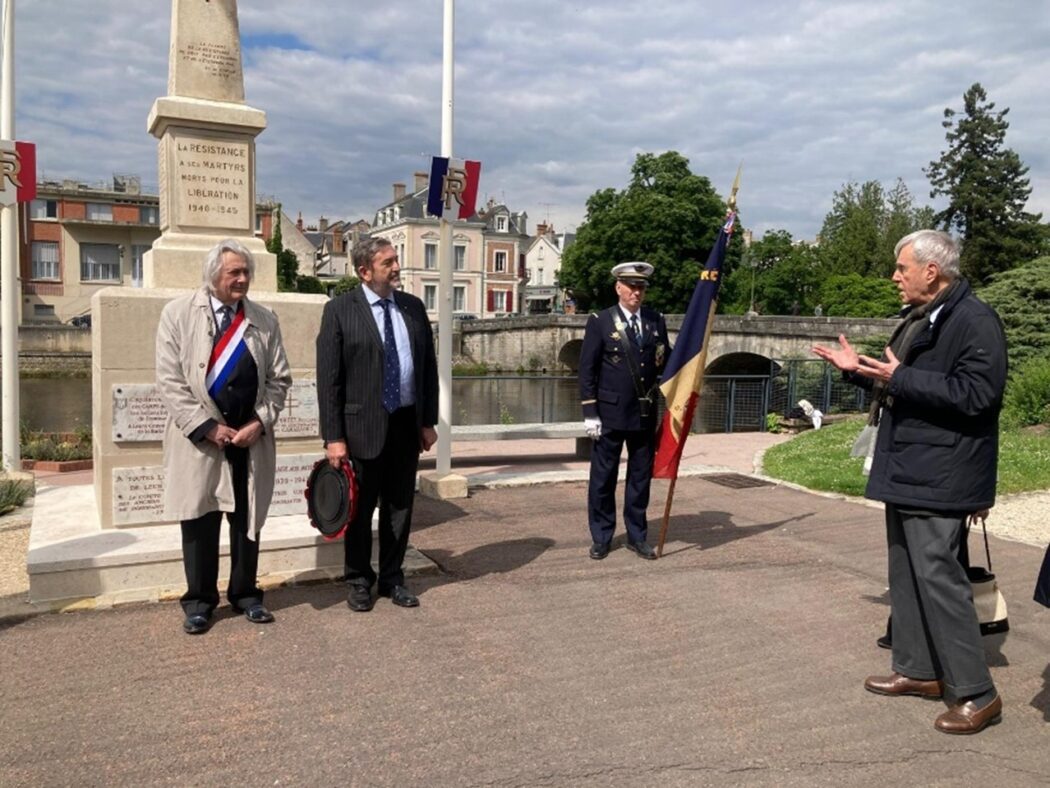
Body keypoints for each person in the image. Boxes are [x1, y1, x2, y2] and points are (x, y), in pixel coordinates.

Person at [812, 229, 1007, 734]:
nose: (895, 277)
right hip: (910, 467)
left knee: (940, 579)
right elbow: (902, 380)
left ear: (931, 271)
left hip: (942, 472)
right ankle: (919, 671)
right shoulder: (924, 318)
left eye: (902, 268)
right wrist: (859, 371)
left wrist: (899, 378)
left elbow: (978, 395)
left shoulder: (974, 320)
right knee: (907, 573)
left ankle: (977, 693)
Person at [156, 239, 292, 635]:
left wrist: (260, 422)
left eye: (246, 272)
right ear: (213, 274)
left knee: (246, 519)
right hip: (201, 438)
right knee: (199, 519)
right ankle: (199, 603)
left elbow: (280, 380)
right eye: (235, 272)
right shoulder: (178, 314)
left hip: (248, 438)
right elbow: (170, 381)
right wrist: (207, 427)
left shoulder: (265, 319)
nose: (243, 279)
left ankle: (247, 594)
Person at [316, 237, 438, 611]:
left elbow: (427, 369)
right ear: (365, 271)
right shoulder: (339, 310)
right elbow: (330, 379)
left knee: (400, 506)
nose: (397, 267)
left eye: (396, 260)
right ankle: (357, 579)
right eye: (388, 263)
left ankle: (392, 578)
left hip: (404, 423)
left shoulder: (412, 307)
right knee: (360, 509)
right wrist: (333, 436)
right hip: (360, 429)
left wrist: (428, 421)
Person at [579, 262, 671, 560]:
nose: (636, 292)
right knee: (603, 478)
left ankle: (636, 535)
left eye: (641, 287)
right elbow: (587, 370)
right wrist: (590, 412)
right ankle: (602, 536)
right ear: (618, 287)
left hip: (644, 413)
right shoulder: (601, 321)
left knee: (640, 478)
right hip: (609, 413)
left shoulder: (656, 321)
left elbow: (665, 363)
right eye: (631, 286)